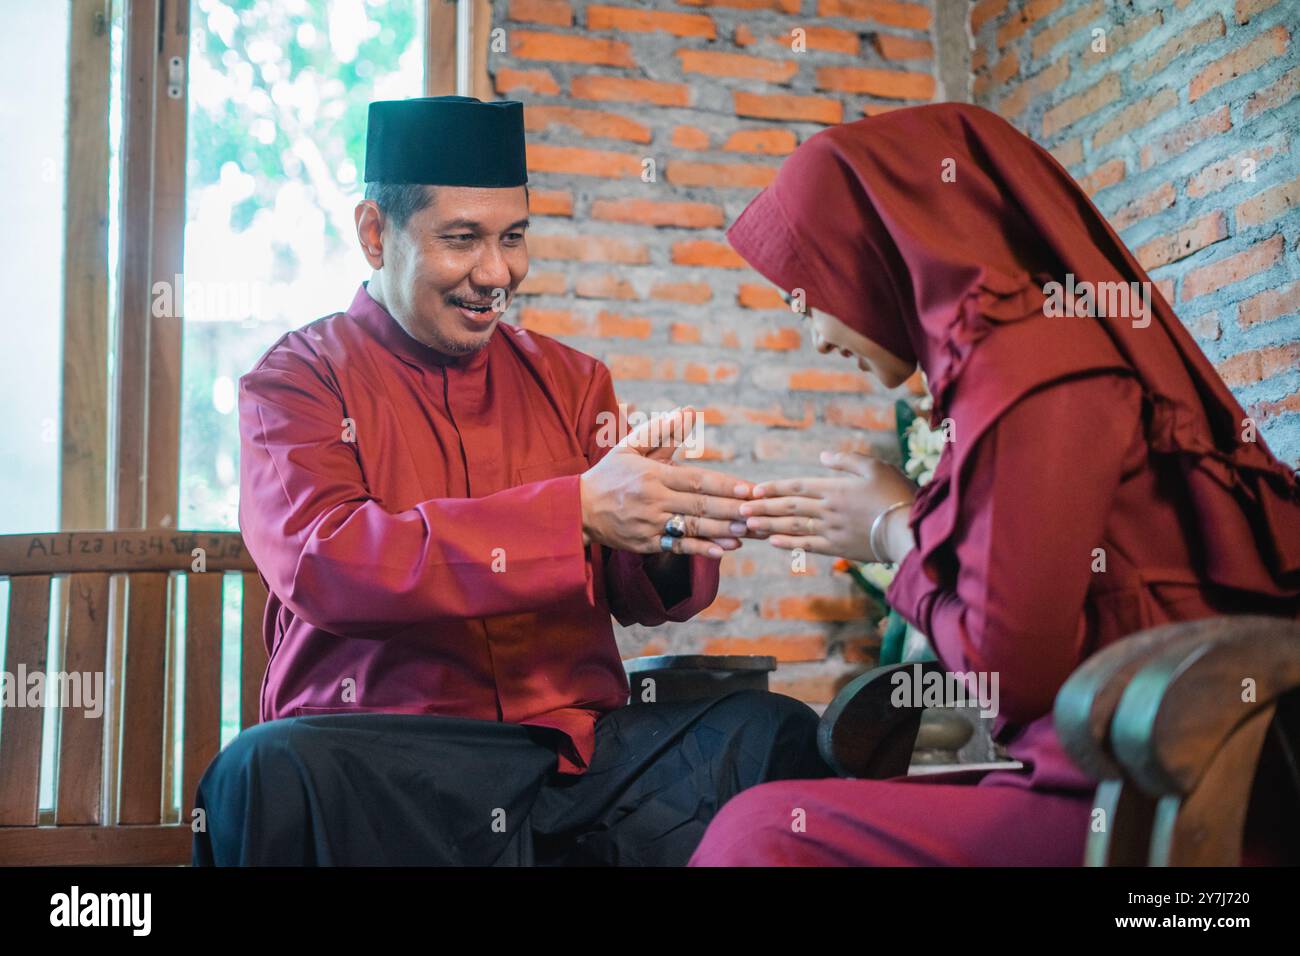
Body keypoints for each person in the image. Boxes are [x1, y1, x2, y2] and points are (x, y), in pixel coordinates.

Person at [193, 96, 832, 867]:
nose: (496, 274)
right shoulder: (297, 382)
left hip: (568, 760)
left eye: (514, 238)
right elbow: (324, 563)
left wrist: (670, 529)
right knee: (265, 771)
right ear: (374, 233)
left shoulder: (571, 380)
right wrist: (576, 513)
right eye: (462, 239)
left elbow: (634, 590)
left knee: (769, 734)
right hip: (386, 761)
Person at [688, 102, 1300, 866]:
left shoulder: (1032, 365)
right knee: (785, 776)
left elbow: (1008, 677)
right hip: (1082, 756)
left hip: (1150, 787)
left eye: (805, 297)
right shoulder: (1014, 358)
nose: (816, 334)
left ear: (872, 249)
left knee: (763, 833)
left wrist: (892, 535)